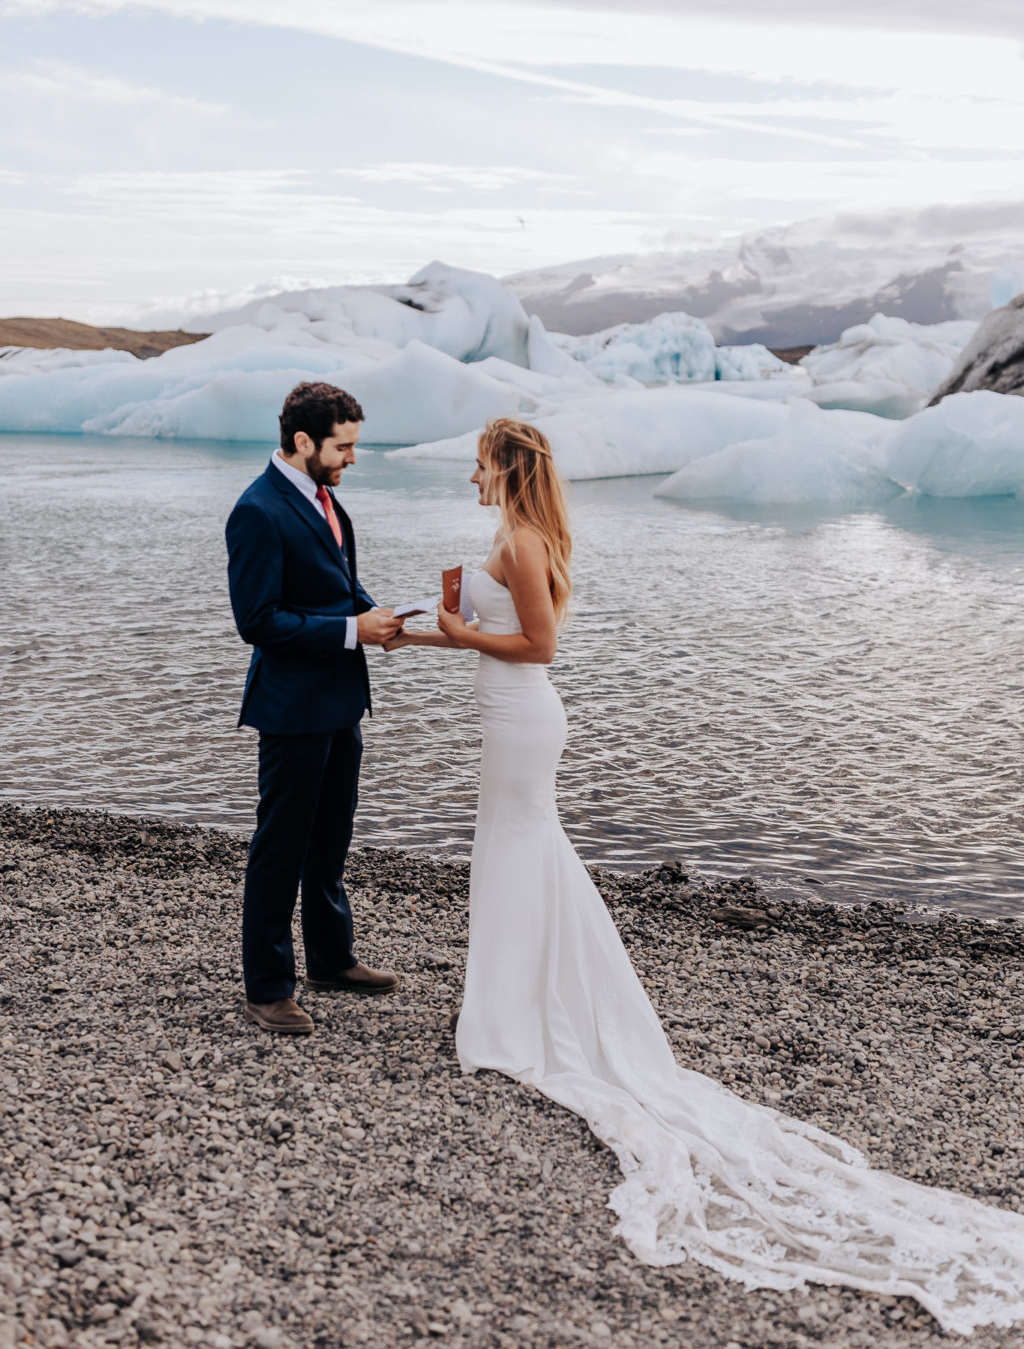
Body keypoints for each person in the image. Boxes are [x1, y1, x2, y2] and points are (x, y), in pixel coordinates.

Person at [391, 415, 1024, 1335]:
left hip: (526, 718)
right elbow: (491, 634)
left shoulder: (524, 541)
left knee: (524, 849)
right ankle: (517, 1000)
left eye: (478, 463)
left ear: (505, 468)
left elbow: (538, 649)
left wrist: (460, 630)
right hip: (505, 717)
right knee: (518, 854)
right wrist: (423, 638)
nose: (470, 475)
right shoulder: (508, 538)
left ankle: (519, 1017)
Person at [225, 381, 403, 1035]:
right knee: (282, 844)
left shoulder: (326, 499)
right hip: (292, 706)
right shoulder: (258, 511)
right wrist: (354, 631)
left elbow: (341, 589)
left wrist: (385, 619)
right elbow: (259, 621)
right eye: (344, 446)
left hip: (341, 700)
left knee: (330, 838)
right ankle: (268, 986)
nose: (352, 458)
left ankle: (331, 958)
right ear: (303, 442)